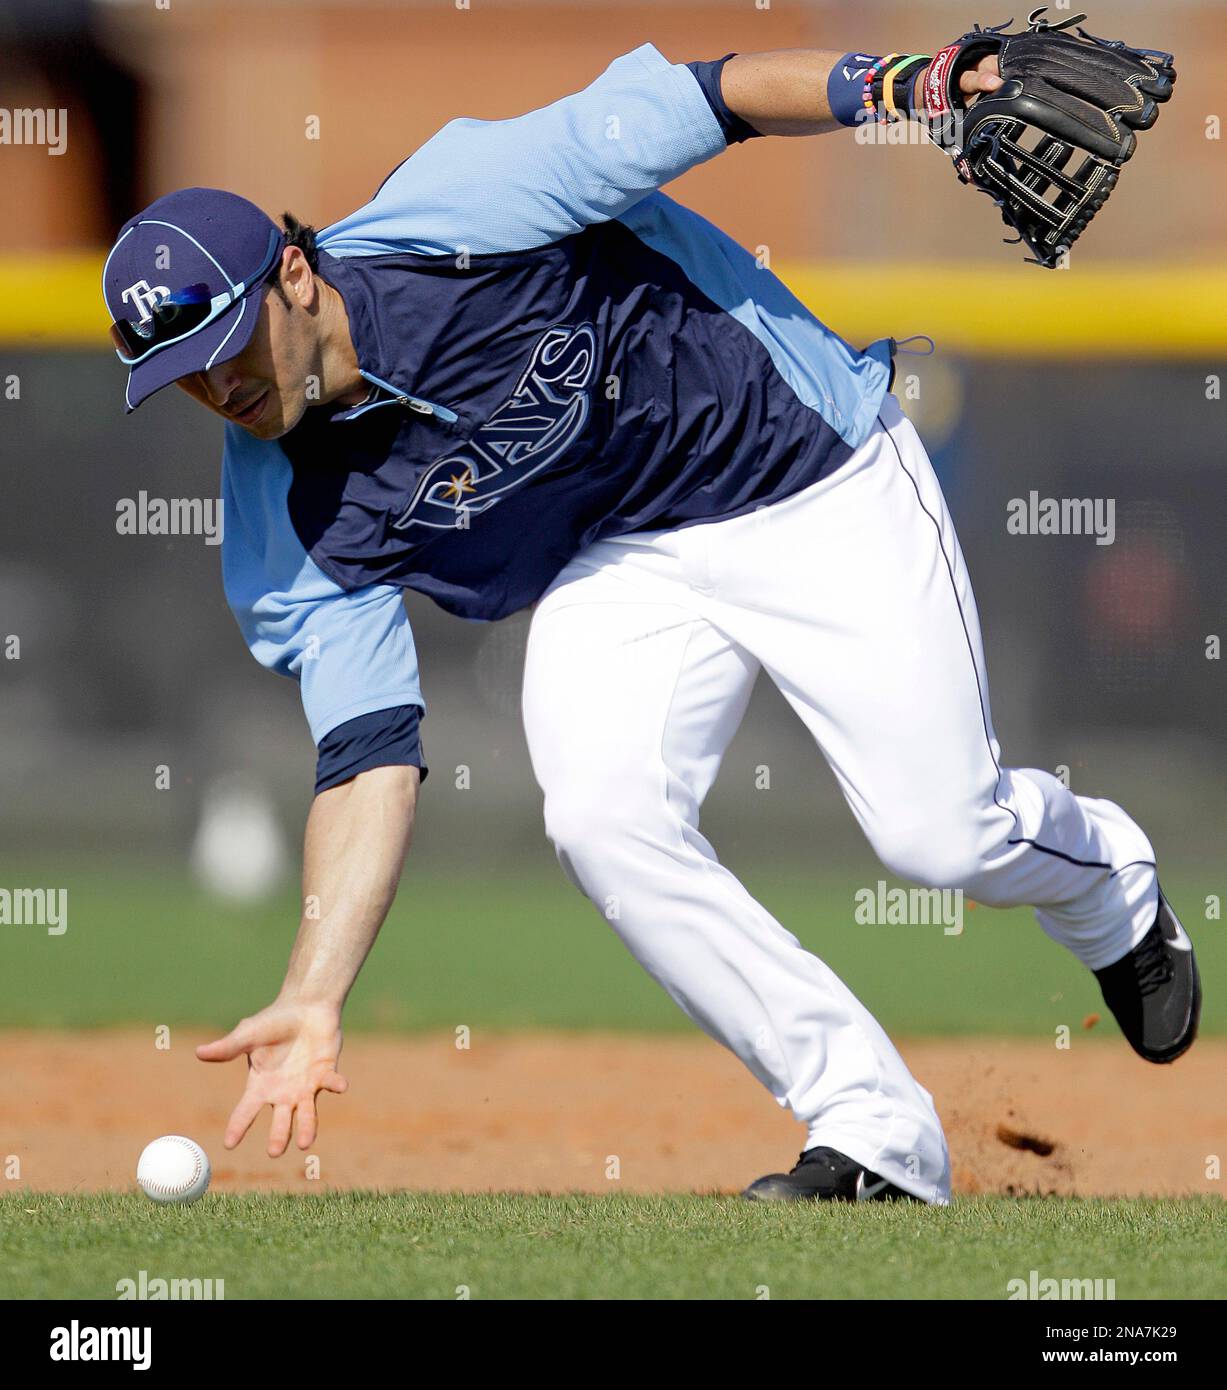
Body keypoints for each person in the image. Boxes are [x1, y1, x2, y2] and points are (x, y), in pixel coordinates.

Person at [104, 41, 1199, 1204]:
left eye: (224, 349)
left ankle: (1107, 882)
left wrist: (909, 84)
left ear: (293, 275)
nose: (219, 390)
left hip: (808, 467)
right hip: (624, 556)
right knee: (601, 814)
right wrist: (315, 991)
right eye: (184, 376)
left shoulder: (464, 208)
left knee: (942, 839)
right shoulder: (286, 524)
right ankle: (874, 1130)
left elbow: (708, 96)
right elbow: (367, 756)